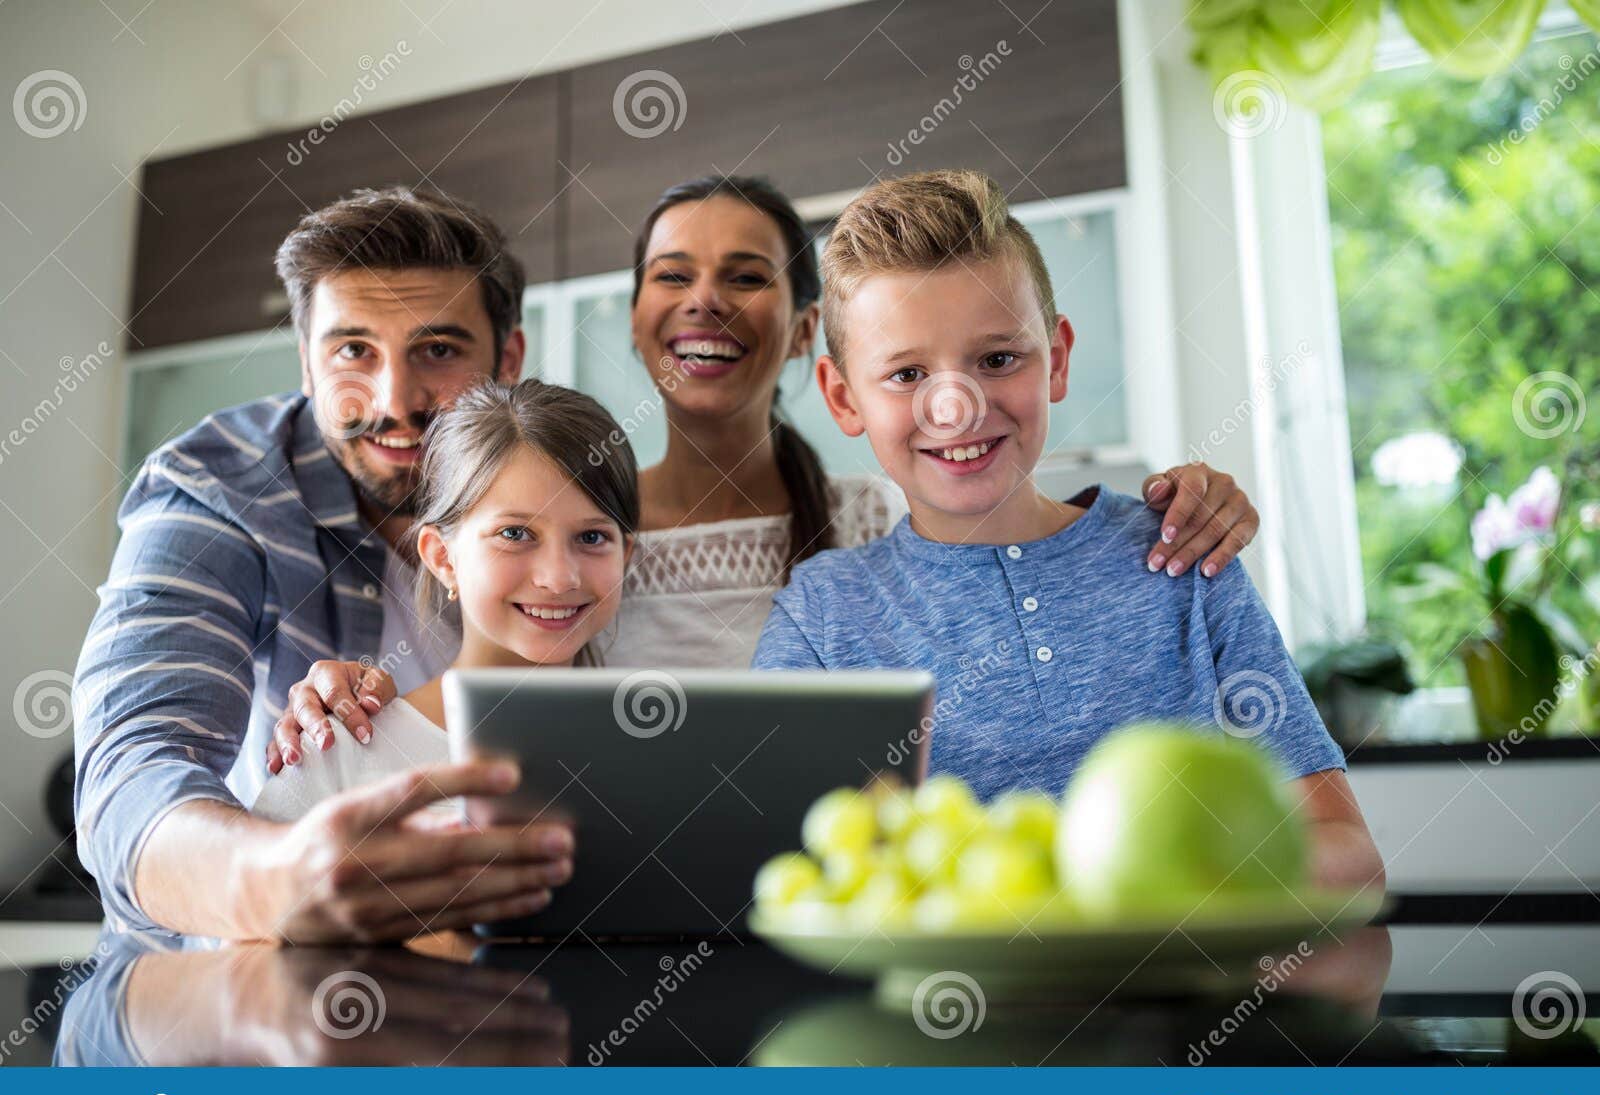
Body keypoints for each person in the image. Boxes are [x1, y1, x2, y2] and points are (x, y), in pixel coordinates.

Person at [266, 175, 1265, 768]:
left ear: (803, 335)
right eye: (672, 275)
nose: (705, 300)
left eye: (746, 276)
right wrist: (355, 689)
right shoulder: (575, 540)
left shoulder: (878, 522)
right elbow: (482, 689)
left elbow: (1014, 563)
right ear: (636, 320)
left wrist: (1169, 508)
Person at [750, 170, 1384, 892]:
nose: (956, 408)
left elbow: (1348, 854)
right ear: (843, 398)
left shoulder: (1184, 556)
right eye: (906, 374)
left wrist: (1127, 891)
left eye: (997, 359)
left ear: (1057, 360)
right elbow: (786, 873)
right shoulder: (823, 619)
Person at [72, 188, 575, 942]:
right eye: (353, 351)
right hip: (256, 968)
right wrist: (281, 881)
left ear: (508, 360)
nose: (394, 401)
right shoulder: (220, 489)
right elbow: (133, 768)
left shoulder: (558, 491)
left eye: (439, 350)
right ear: (307, 363)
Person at [253, 378, 637, 836]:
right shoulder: (340, 752)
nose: (558, 578)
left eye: (592, 537)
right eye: (514, 534)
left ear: (625, 555)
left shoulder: (650, 748)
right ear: (442, 558)